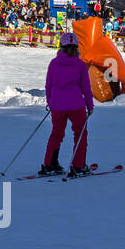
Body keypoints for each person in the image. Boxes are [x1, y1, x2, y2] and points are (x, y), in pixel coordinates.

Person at [40, 32, 95, 176]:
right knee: (80, 134)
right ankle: (78, 165)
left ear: (61, 47)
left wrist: (50, 102)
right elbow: (86, 88)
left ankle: (50, 164)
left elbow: (48, 85)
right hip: (76, 105)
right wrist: (90, 106)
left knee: (56, 134)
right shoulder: (80, 65)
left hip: (57, 105)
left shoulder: (54, 63)